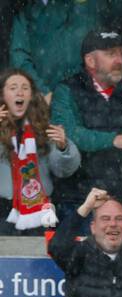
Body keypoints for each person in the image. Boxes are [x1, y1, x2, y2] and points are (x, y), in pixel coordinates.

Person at [51, 31, 122, 224]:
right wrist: (114, 140)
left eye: (121, 54)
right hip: (78, 199)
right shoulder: (67, 89)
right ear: (90, 60)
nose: (119, 60)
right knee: (78, 253)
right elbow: (69, 134)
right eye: (111, 54)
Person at [0, 68, 80, 232]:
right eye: (13, 88)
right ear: (2, 95)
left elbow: (63, 171)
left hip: (42, 209)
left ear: (32, 96)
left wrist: (63, 147)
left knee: (43, 255)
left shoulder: (43, 128)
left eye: (25, 88)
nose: (19, 93)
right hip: (4, 210)